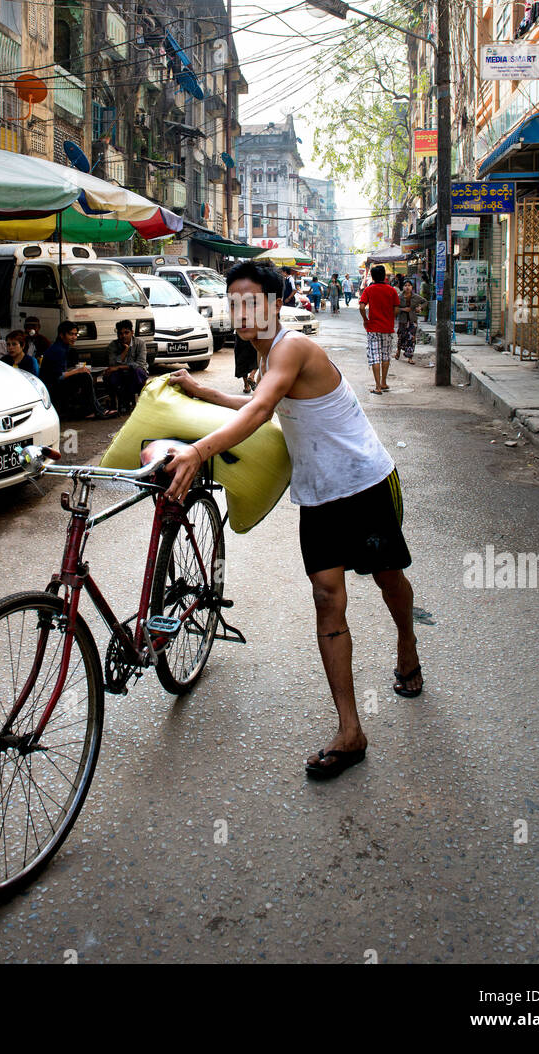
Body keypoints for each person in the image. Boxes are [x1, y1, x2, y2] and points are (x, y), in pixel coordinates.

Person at [164, 261, 421, 781]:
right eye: (233, 302)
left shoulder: (292, 347)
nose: (241, 312)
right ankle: (351, 731)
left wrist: (198, 451)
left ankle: (407, 642)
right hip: (319, 494)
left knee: (387, 577)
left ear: (275, 303)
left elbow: (261, 412)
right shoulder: (265, 358)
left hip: (364, 483)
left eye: (251, 301)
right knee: (327, 596)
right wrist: (206, 392)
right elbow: (261, 400)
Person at [40, 320, 114, 419]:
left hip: (55, 384)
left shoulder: (64, 347)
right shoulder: (58, 350)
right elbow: (58, 376)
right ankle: (97, 410)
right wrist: (78, 371)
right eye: (71, 334)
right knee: (84, 377)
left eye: (75, 334)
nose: (74, 337)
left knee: (84, 376)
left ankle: (91, 410)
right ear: (61, 335)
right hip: (51, 388)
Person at [359, 264, 400, 396]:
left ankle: (377, 387)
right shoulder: (392, 290)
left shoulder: (368, 290)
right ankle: (384, 382)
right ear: (384, 276)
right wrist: (390, 318)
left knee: (375, 356)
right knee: (385, 355)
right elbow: (396, 308)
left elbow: (362, 307)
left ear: (372, 276)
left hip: (373, 328)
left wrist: (365, 320)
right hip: (387, 328)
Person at [104, 319, 148, 415]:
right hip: (121, 374)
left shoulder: (140, 343)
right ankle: (117, 402)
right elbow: (112, 364)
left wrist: (120, 367)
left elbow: (140, 364)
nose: (123, 336)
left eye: (126, 333)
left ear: (132, 332)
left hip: (135, 373)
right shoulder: (113, 345)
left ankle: (135, 399)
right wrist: (125, 351)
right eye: (120, 333)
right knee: (111, 374)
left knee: (137, 371)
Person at [394, 281, 425, 363]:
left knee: (412, 338)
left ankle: (410, 357)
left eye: (409, 285)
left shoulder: (416, 297)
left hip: (413, 320)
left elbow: (425, 302)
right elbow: (394, 308)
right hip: (402, 320)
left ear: (412, 287)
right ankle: (398, 351)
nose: (407, 287)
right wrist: (403, 309)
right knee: (401, 337)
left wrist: (420, 308)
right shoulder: (399, 297)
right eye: (405, 285)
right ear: (403, 287)